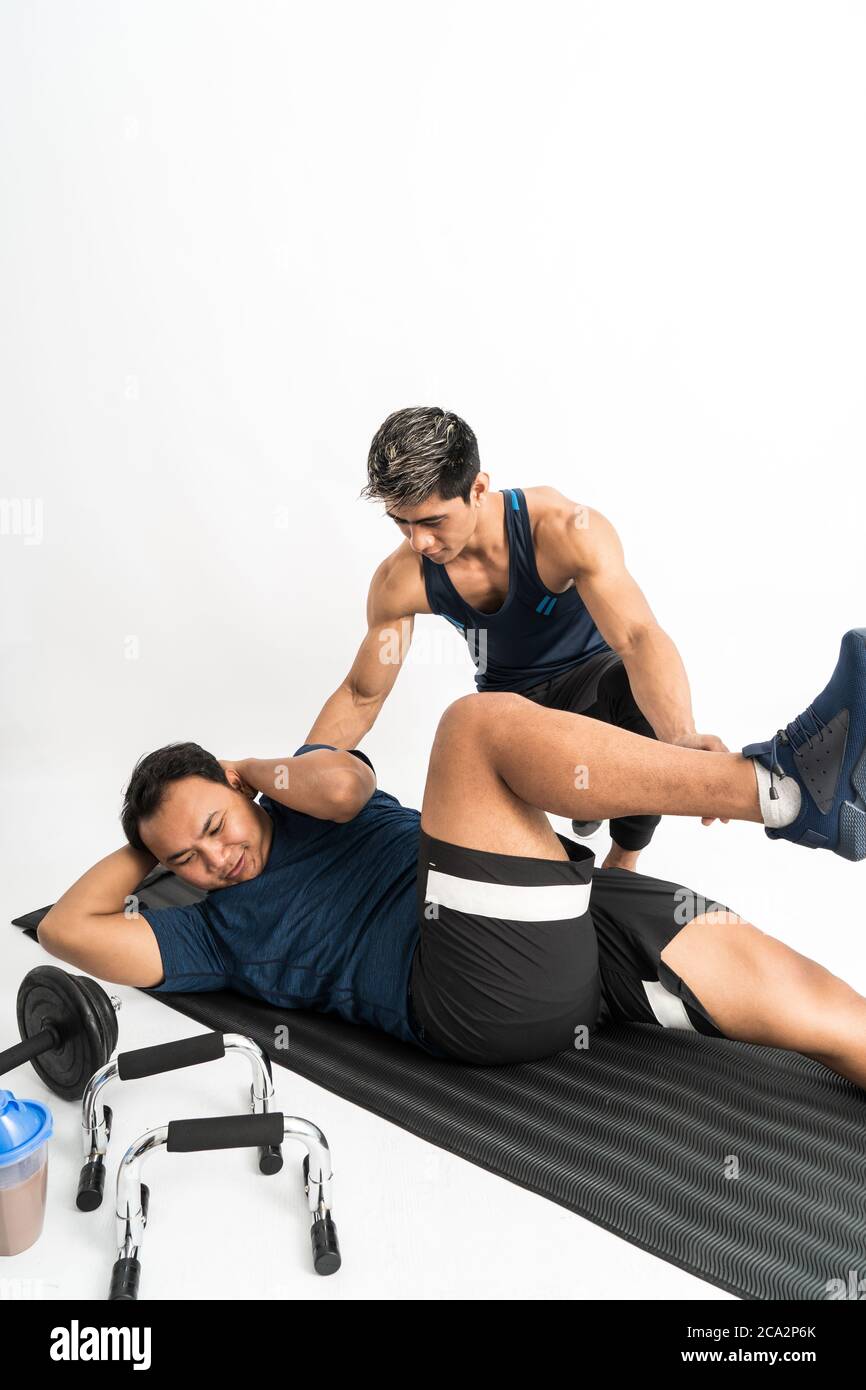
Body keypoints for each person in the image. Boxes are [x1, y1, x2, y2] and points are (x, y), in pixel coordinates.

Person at [37, 628, 866, 1077]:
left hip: (556, 918)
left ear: (238, 787)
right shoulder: (208, 934)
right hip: (466, 992)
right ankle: (780, 790)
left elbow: (344, 792)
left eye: (215, 826)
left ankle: (789, 793)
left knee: (832, 1015)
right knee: (475, 727)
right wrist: (149, 846)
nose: (211, 860)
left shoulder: (298, 784)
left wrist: (250, 770)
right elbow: (66, 930)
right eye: (184, 861)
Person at [307, 406, 727, 873]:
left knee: (630, 685)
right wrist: (300, 777)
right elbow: (360, 695)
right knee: (470, 726)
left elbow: (638, 637)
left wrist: (682, 738)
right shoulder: (400, 580)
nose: (419, 543)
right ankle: (582, 806)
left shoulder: (564, 530)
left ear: (478, 489)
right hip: (518, 713)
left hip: (596, 692)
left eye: (432, 522)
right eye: (402, 524)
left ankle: (623, 860)